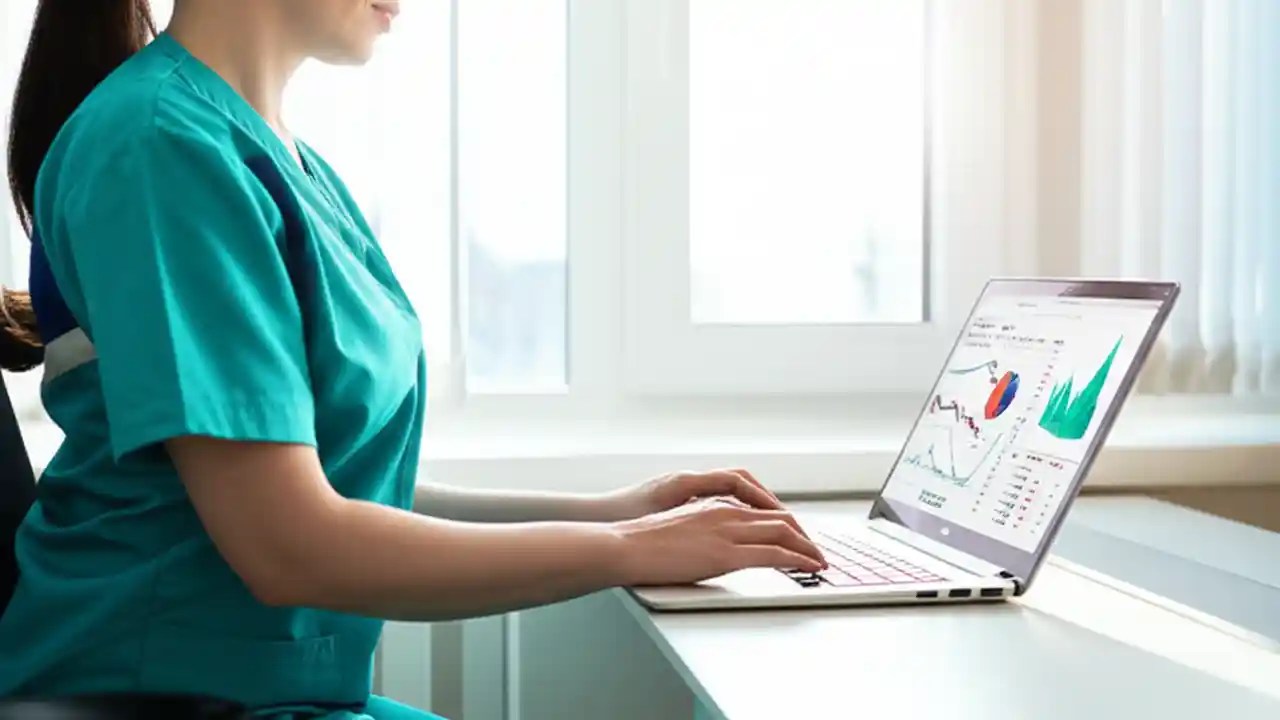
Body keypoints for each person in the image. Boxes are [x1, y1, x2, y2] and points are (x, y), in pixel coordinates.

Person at [0, 2, 825, 718]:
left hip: (258, 692)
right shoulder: (161, 149)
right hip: (147, 694)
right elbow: (287, 542)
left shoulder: (271, 155)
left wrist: (616, 512)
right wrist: (629, 550)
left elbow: (335, 482)